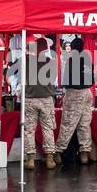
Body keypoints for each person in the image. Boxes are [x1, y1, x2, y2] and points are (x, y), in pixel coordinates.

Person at [56, 35, 97, 164]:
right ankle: (84, 154)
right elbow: (91, 80)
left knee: (68, 124)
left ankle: (58, 152)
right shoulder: (88, 61)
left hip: (74, 94)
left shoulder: (71, 60)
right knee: (84, 125)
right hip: (86, 93)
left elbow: (66, 81)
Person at [23, 38, 58, 170]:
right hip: (46, 99)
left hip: (30, 99)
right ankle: (50, 159)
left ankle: (30, 160)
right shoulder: (51, 62)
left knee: (29, 130)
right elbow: (53, 78)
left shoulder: (26, 62)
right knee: (48, 129)